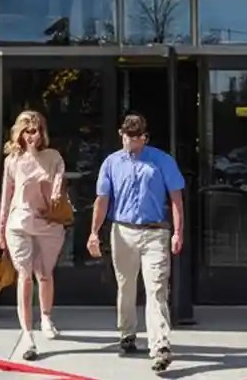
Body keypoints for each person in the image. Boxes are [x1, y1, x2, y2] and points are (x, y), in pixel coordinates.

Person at [87, 113, 185, 374]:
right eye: (128, 136)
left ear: (145, 137)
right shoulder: (111, 163)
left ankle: (161, 346)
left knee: (156, 288)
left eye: (137, 136)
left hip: (155, 231)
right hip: (123, 231)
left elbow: (176, 198)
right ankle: (127, 333)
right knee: (126, 285)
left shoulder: (162, 161)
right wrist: (94, 232)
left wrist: (178, 232)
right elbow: (102, 200)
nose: (132, 141)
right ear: (121, 134)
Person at [0, 110, 67, 361]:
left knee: (44, 274)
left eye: (35, 131)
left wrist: (56, 190)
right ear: (19, 133)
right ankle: (27, 333)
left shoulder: (52, 157)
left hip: (48, 223)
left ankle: (46, 317)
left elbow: (59, 181)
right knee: (25, 276)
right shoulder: (12, 161)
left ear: (42, 133)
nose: (31, 136)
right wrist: (1, 228)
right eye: (26, 131)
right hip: (18, 223)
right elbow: (6, 196)